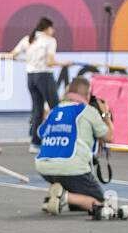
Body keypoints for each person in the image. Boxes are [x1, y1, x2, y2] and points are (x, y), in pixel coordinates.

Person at [36, 77, 114, 215]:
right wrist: (105, 113)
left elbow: (40, 133)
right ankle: (64, 197)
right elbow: (109, 137)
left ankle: (53, 196)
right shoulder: (88, 111)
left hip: (44, 166)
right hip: (72, 167)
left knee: (78, 202)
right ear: (88, 95)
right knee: (101, 205)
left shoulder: (54, 110)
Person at [1, 17, 64, 152]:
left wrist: (16, 58)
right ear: (47, 28)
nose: (53, 31)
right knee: (56, 108)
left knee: (37, 109)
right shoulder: (49, 41)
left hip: (31, 77)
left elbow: (12, 55)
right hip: (44, 75)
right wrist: (66, 63)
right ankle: (61, 138)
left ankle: (35, 143)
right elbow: (50, 62)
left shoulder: (27, 40)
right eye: (52, 28)